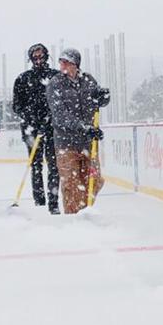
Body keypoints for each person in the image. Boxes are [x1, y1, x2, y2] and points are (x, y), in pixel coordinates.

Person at [46, 48, 110, 215]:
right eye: (61, 62)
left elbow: (98, 101)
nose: (63, 65)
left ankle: (85, 210)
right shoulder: (55, 84)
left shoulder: (88, 80)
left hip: (88, 144)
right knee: (71, 184)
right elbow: (59, 115)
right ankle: (73, 218)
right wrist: (83, 127)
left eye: (67, 62)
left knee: (95, 180)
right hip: (66, 144)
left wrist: (104, 97)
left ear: (76, 64)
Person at [12, 43, 61, 213]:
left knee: (54, 165)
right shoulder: (22, 78)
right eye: (35, 57)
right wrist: (31, 118)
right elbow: (16, 106)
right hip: (31, 129)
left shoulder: (56, 76)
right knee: (36, 165)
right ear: (31, 59)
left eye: (41, 56)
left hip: (52, 128)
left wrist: (50, 117)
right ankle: (39, 201)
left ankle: (53, 202)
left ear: (47, 56)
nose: (38, 60)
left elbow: (62, 102)